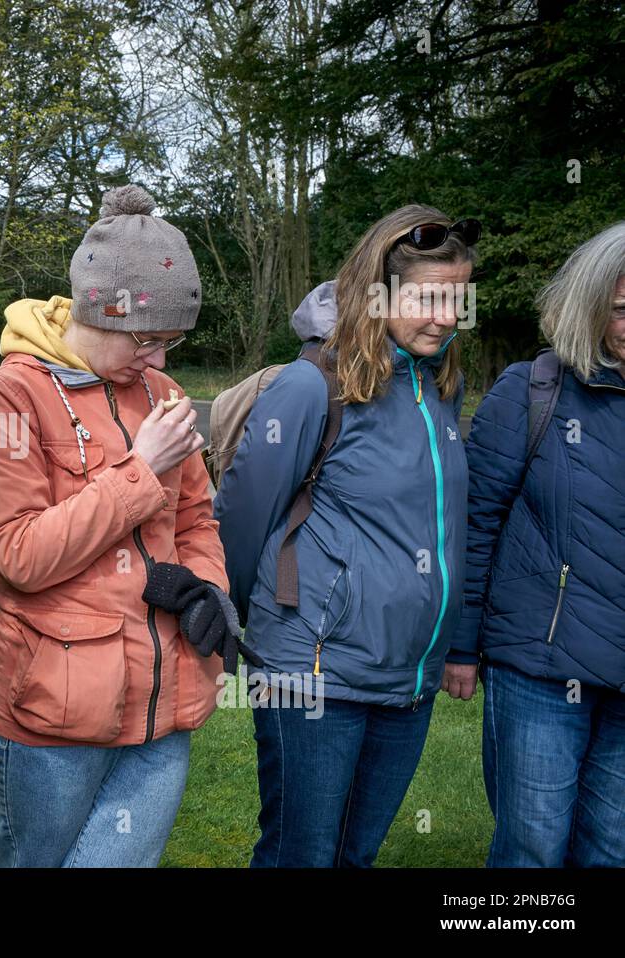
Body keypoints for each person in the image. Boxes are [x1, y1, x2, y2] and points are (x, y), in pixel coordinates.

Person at [0, 185, 229, 867]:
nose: (163, 362)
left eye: (172, 342)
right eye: (150, 340)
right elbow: (20, 554)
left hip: (166, 695)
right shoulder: (8, 395)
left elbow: (198, 519)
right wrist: (140, 472)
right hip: (51, 712)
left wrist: (208, 590)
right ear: (97, 310)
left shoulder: (164, 395)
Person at [215, 205, 477, 867]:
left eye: (458, 298)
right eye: (428, 298)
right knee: (300, 855)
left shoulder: (442, 388)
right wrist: (259, 630)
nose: (446, 316)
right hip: (313, 670)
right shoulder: (313, 386)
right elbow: (241, 520)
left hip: (408, 676)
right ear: (377, 293)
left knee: (354, 856)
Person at [447, 221, 625, 867]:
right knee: (533, 847)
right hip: (539, 669)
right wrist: (462, 646)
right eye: (622, 308)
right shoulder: (532, 391)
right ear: (589, 304)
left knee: (610, 849)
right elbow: (477, 526)